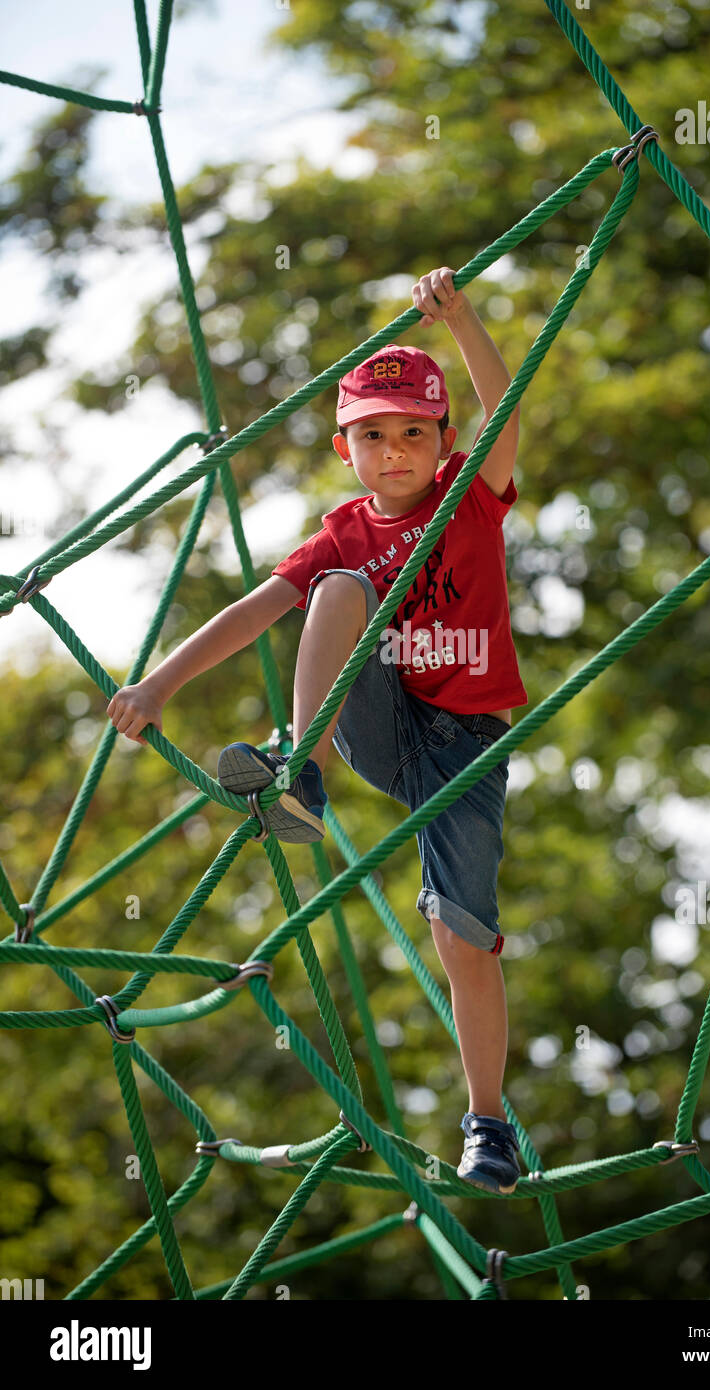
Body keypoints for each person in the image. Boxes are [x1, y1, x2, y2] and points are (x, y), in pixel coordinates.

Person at [106, 267, 528, 1193]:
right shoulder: (342, 531)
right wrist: (161, 683)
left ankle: (488, 1122)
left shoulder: (469, 492)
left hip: (466, 745)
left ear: (443, 442)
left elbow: (507, 401)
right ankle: (302, 765)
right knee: (336, 589)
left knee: (463, 934)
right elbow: (256, 611)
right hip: (381, 727)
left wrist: (458, 318)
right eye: (373, 436)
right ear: (346, 448)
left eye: (414, 433)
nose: (394, 453)